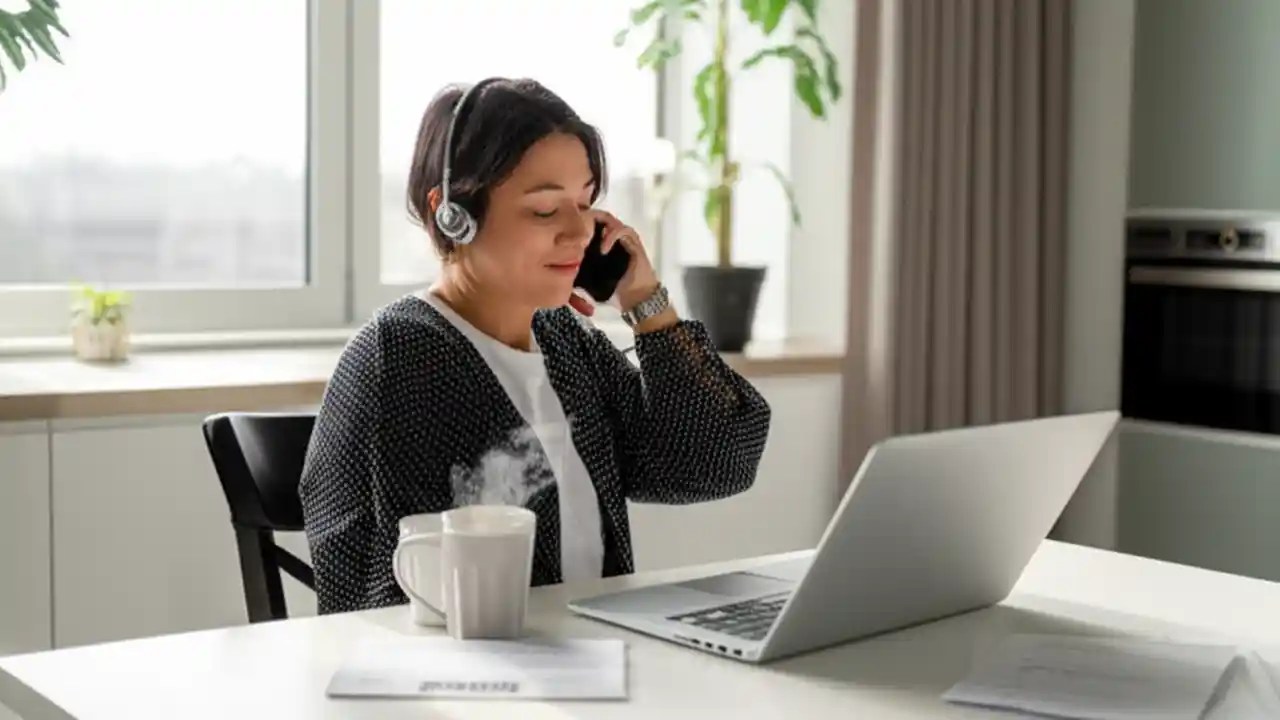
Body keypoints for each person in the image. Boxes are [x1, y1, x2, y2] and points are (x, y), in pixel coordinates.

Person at [299, 76, 772, 615]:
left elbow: (712, 463)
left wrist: (645, 302)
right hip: (476, 682)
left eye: (586, 202)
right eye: (546, 210)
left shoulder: (564, 341)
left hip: (592, 661)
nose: (579, 233)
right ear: (452, 215)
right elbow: (389, 596)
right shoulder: (402, 357)